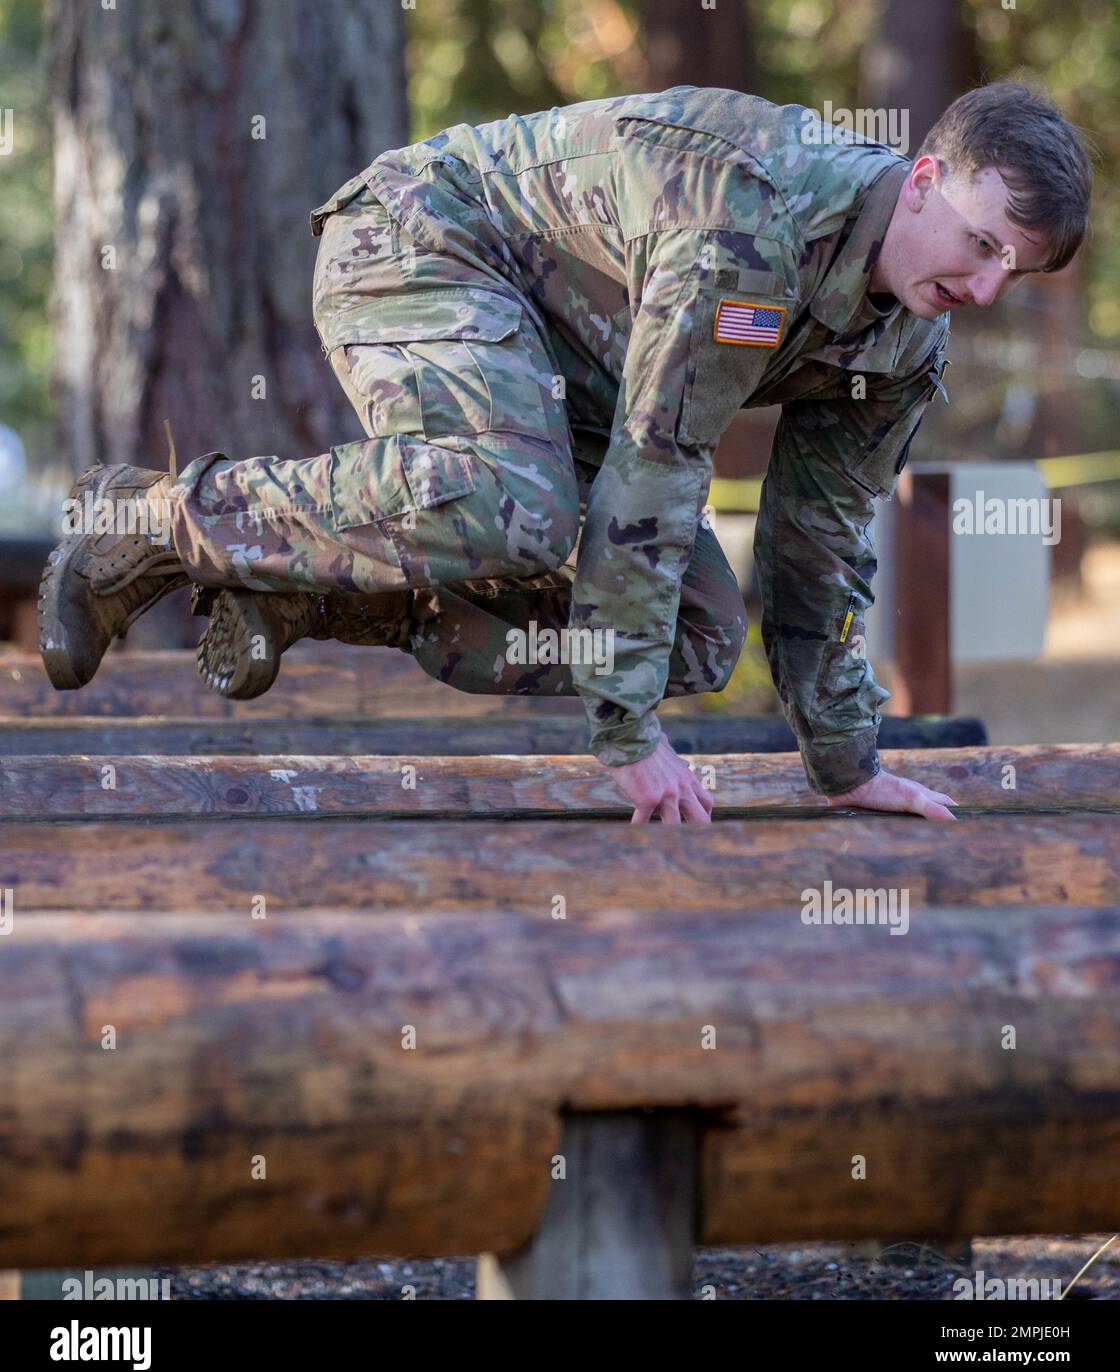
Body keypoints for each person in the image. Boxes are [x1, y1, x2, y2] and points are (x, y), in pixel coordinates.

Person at [38, 81, 1092, 823]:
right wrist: (626, 733)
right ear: (921, 179)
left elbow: (817, 540)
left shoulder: (907, 337)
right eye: (983, 241)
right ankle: (146, 518)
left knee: (696, 634)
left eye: (1018, 272)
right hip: (424, 236)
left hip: (573, 355)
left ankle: (297, 593)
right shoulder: (755, 219)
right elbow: (659, 462)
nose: (988, 285)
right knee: (516, 500)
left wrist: (844, 759)